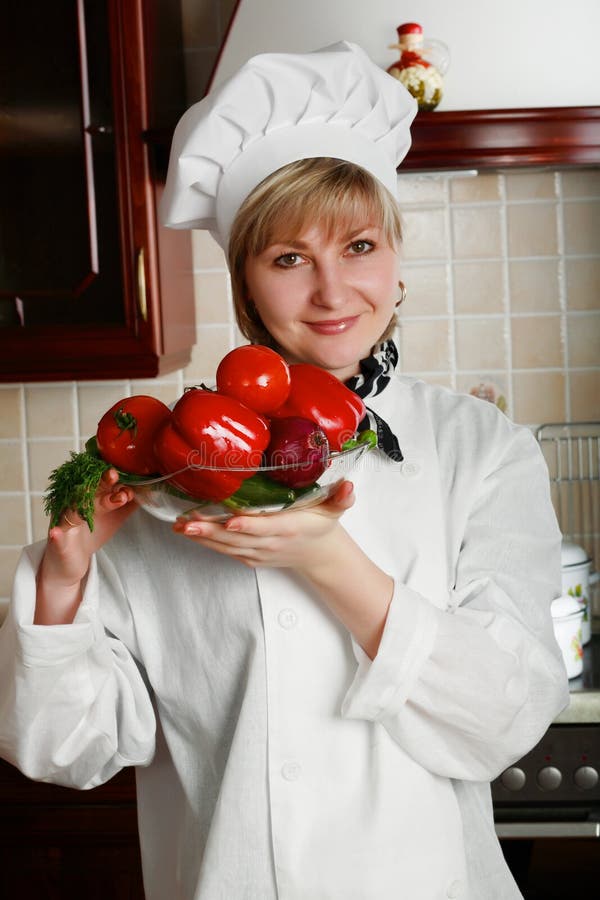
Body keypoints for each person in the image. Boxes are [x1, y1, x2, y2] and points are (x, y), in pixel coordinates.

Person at [0, 41, 569, 900]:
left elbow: (505, 720)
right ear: (246, 287)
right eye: (289, 258)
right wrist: (62, 584)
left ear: (397, 259)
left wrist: (326, 561)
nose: (334, 293)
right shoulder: (163, 469)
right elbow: (66, 749)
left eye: (361, 246)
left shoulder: (479, 450)